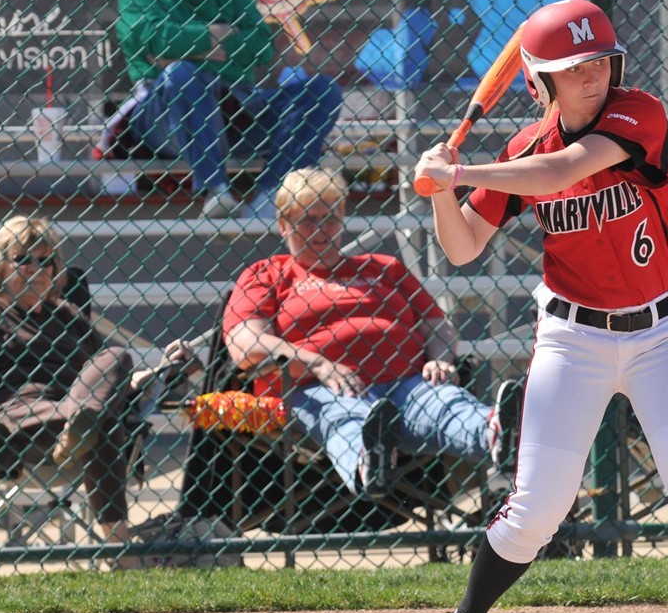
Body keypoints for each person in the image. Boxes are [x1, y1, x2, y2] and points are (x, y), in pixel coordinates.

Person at [413, 0, 668, 613]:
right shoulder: (521, 150)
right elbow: (461, 245)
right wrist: (440, 190)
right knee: (536, 510)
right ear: (540, 80)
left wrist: (460, 173)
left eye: (600, 63)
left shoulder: (639, 115)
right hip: (572, 338)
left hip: (661, 332)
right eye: (572, 68)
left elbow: (560, 174)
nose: (591, 77)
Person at [217, 167, 514, 507]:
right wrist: (318, 364)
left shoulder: (383, 267)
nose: (320, 230)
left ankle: (499, 435)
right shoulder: (267, 274)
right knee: (342, 415)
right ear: (283, 224)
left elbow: (437, 325)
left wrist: (439, 359)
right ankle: (368, 463)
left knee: (444, 402)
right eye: (306, 220)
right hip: (315, 388)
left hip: (407, 382)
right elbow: (246, 343)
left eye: (329, 218)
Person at [0, 216, 191, 552]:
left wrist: (164, 369)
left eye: (46, 260)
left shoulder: (68, 315)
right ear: (0, 265)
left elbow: (103, 378)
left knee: (117, 357)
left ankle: (81, 422)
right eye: (23, 259)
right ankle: (120, 551)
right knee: (104, 423)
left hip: (71, 412)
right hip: (11, 420)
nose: (36, 268)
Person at [106, 0, 344, 219]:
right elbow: (156, 41)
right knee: (181, 75)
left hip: (237, 111)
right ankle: (216, 192)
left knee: (322, 91)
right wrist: (220, 39)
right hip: (168, 119)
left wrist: (186, 47)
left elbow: (261, 46)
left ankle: (269, 196)